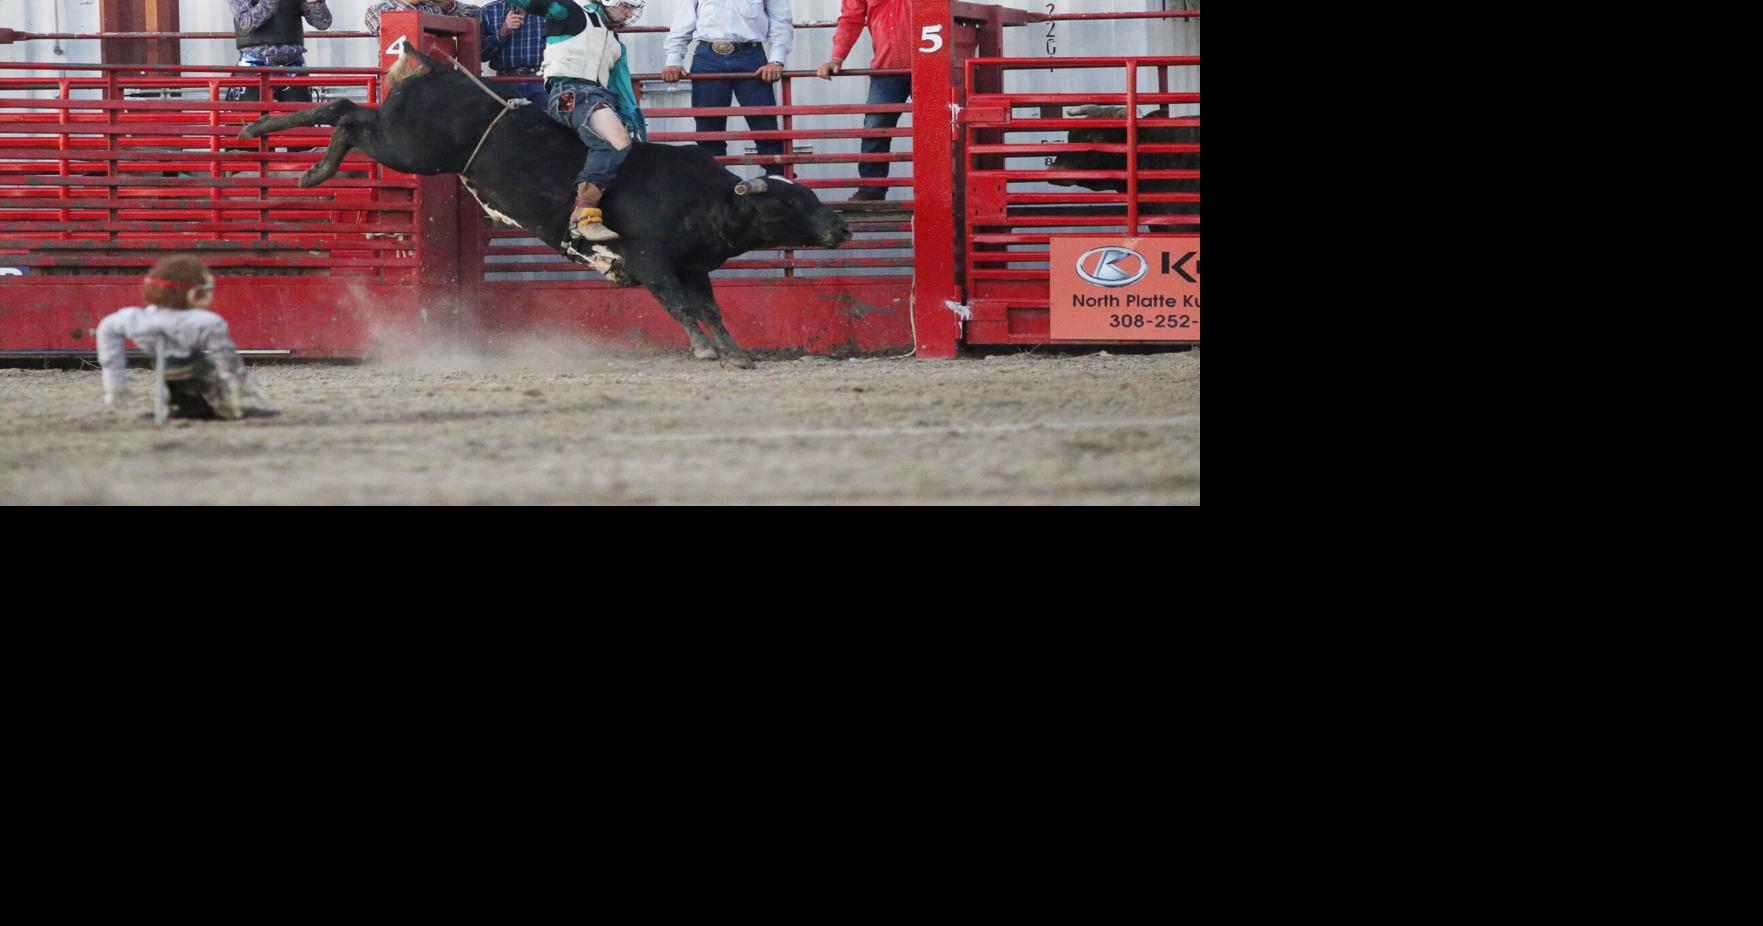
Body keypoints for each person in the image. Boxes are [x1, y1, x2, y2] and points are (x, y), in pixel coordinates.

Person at [506, 0, 649, 243]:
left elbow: (623, 90)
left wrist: (636, 126)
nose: (629, 13)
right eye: (626, 6)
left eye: (632, 8)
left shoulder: (616, 44)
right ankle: (584, 214)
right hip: (569, 93)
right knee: (613, 139)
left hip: (596, 98)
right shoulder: (569, 12)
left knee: (621, 143)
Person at [96, 257, 271, 421]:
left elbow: (107, 333)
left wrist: (115, 383)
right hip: (194, 367)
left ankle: (178, 405)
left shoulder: (132, 318)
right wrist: (239, 390)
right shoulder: (207, 322)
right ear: (193, 293)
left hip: (162, 366)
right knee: (217, 367)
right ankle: (234, 405)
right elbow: (227, 359)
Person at [661, 1, 793, 161]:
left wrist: (776, 61)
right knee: (708, 128)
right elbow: (682, 21)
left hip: (751, 57)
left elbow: (781, 20)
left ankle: (776, 174)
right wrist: (673, 60)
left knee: (765, 125)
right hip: (708, 58)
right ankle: (713, 176)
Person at [819, 0, 911, 201]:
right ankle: (871, 189)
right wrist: (836, 58)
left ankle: (941, 189)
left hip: (931, 66)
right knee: (874, 127)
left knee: (936, 128)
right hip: (887, 69)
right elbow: (850, 19)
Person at [226, 0, 332, 104]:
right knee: (247, 114)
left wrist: (314, 3)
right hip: (253, 64)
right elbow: (245, 23)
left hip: (293, 63)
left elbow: (323, 23)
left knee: (301, 114)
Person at [478, 0, 550, 108]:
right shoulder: (488, 11)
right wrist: (503, 32)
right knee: (503, 118)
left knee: (551, 117)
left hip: (542, 82)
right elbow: (481, 55)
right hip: (505, 83)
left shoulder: (552, 9)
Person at [364, 0, 485, 35]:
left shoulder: (435, 6)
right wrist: (407, 3)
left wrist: (452, 6)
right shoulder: (376, 10)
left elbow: (479, 15)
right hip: (399, 73)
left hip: (437, 70)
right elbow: (390, 30)